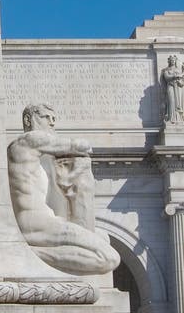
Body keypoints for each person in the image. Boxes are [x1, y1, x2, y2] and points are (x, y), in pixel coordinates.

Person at [7, 104, 120, 275]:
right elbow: (81, 145)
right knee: (109, 258)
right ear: (28, 120)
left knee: (103, 237)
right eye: (46, 117)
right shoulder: (27, 141)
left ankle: (28, 252)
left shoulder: (37, 155)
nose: (52, 123)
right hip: (35, 222)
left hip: (44, 220)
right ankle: (23, 253)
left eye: (54, 119)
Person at [161, 55, 184, 124]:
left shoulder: (178, 70)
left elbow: (181, 79)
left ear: (175, 61)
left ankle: (179, 118)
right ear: (169, 61)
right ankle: (171, 118)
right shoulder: (166, 70)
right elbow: (167, 77)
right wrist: (175, 76)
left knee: (178, 103)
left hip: (178, 87)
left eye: (173, 60)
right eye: (171, 60)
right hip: (170, 86)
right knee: (171, 101)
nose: (172, 62)